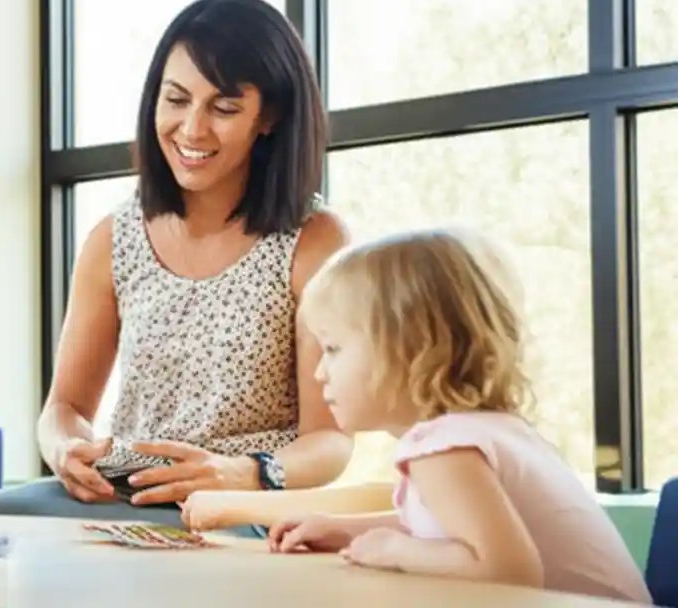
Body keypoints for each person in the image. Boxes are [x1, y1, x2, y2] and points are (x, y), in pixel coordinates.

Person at [0, 0, 352, 526]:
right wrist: (66, 450)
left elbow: (329, 440)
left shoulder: (314, 240)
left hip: (243, 504)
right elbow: (65, 409)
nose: (192, 129)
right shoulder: (113, 238)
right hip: (130, 496)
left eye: (224, 107)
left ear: (270, 118)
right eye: (176, 99)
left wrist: (242, 472)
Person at [249, 228, 649, 602]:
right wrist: (343, 529)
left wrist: (393, 550)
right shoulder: (490, 430)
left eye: (333, 349)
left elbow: (509, 570)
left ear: (410, 350)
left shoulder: (442, 449)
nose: (319, 372)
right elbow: (446, 532)